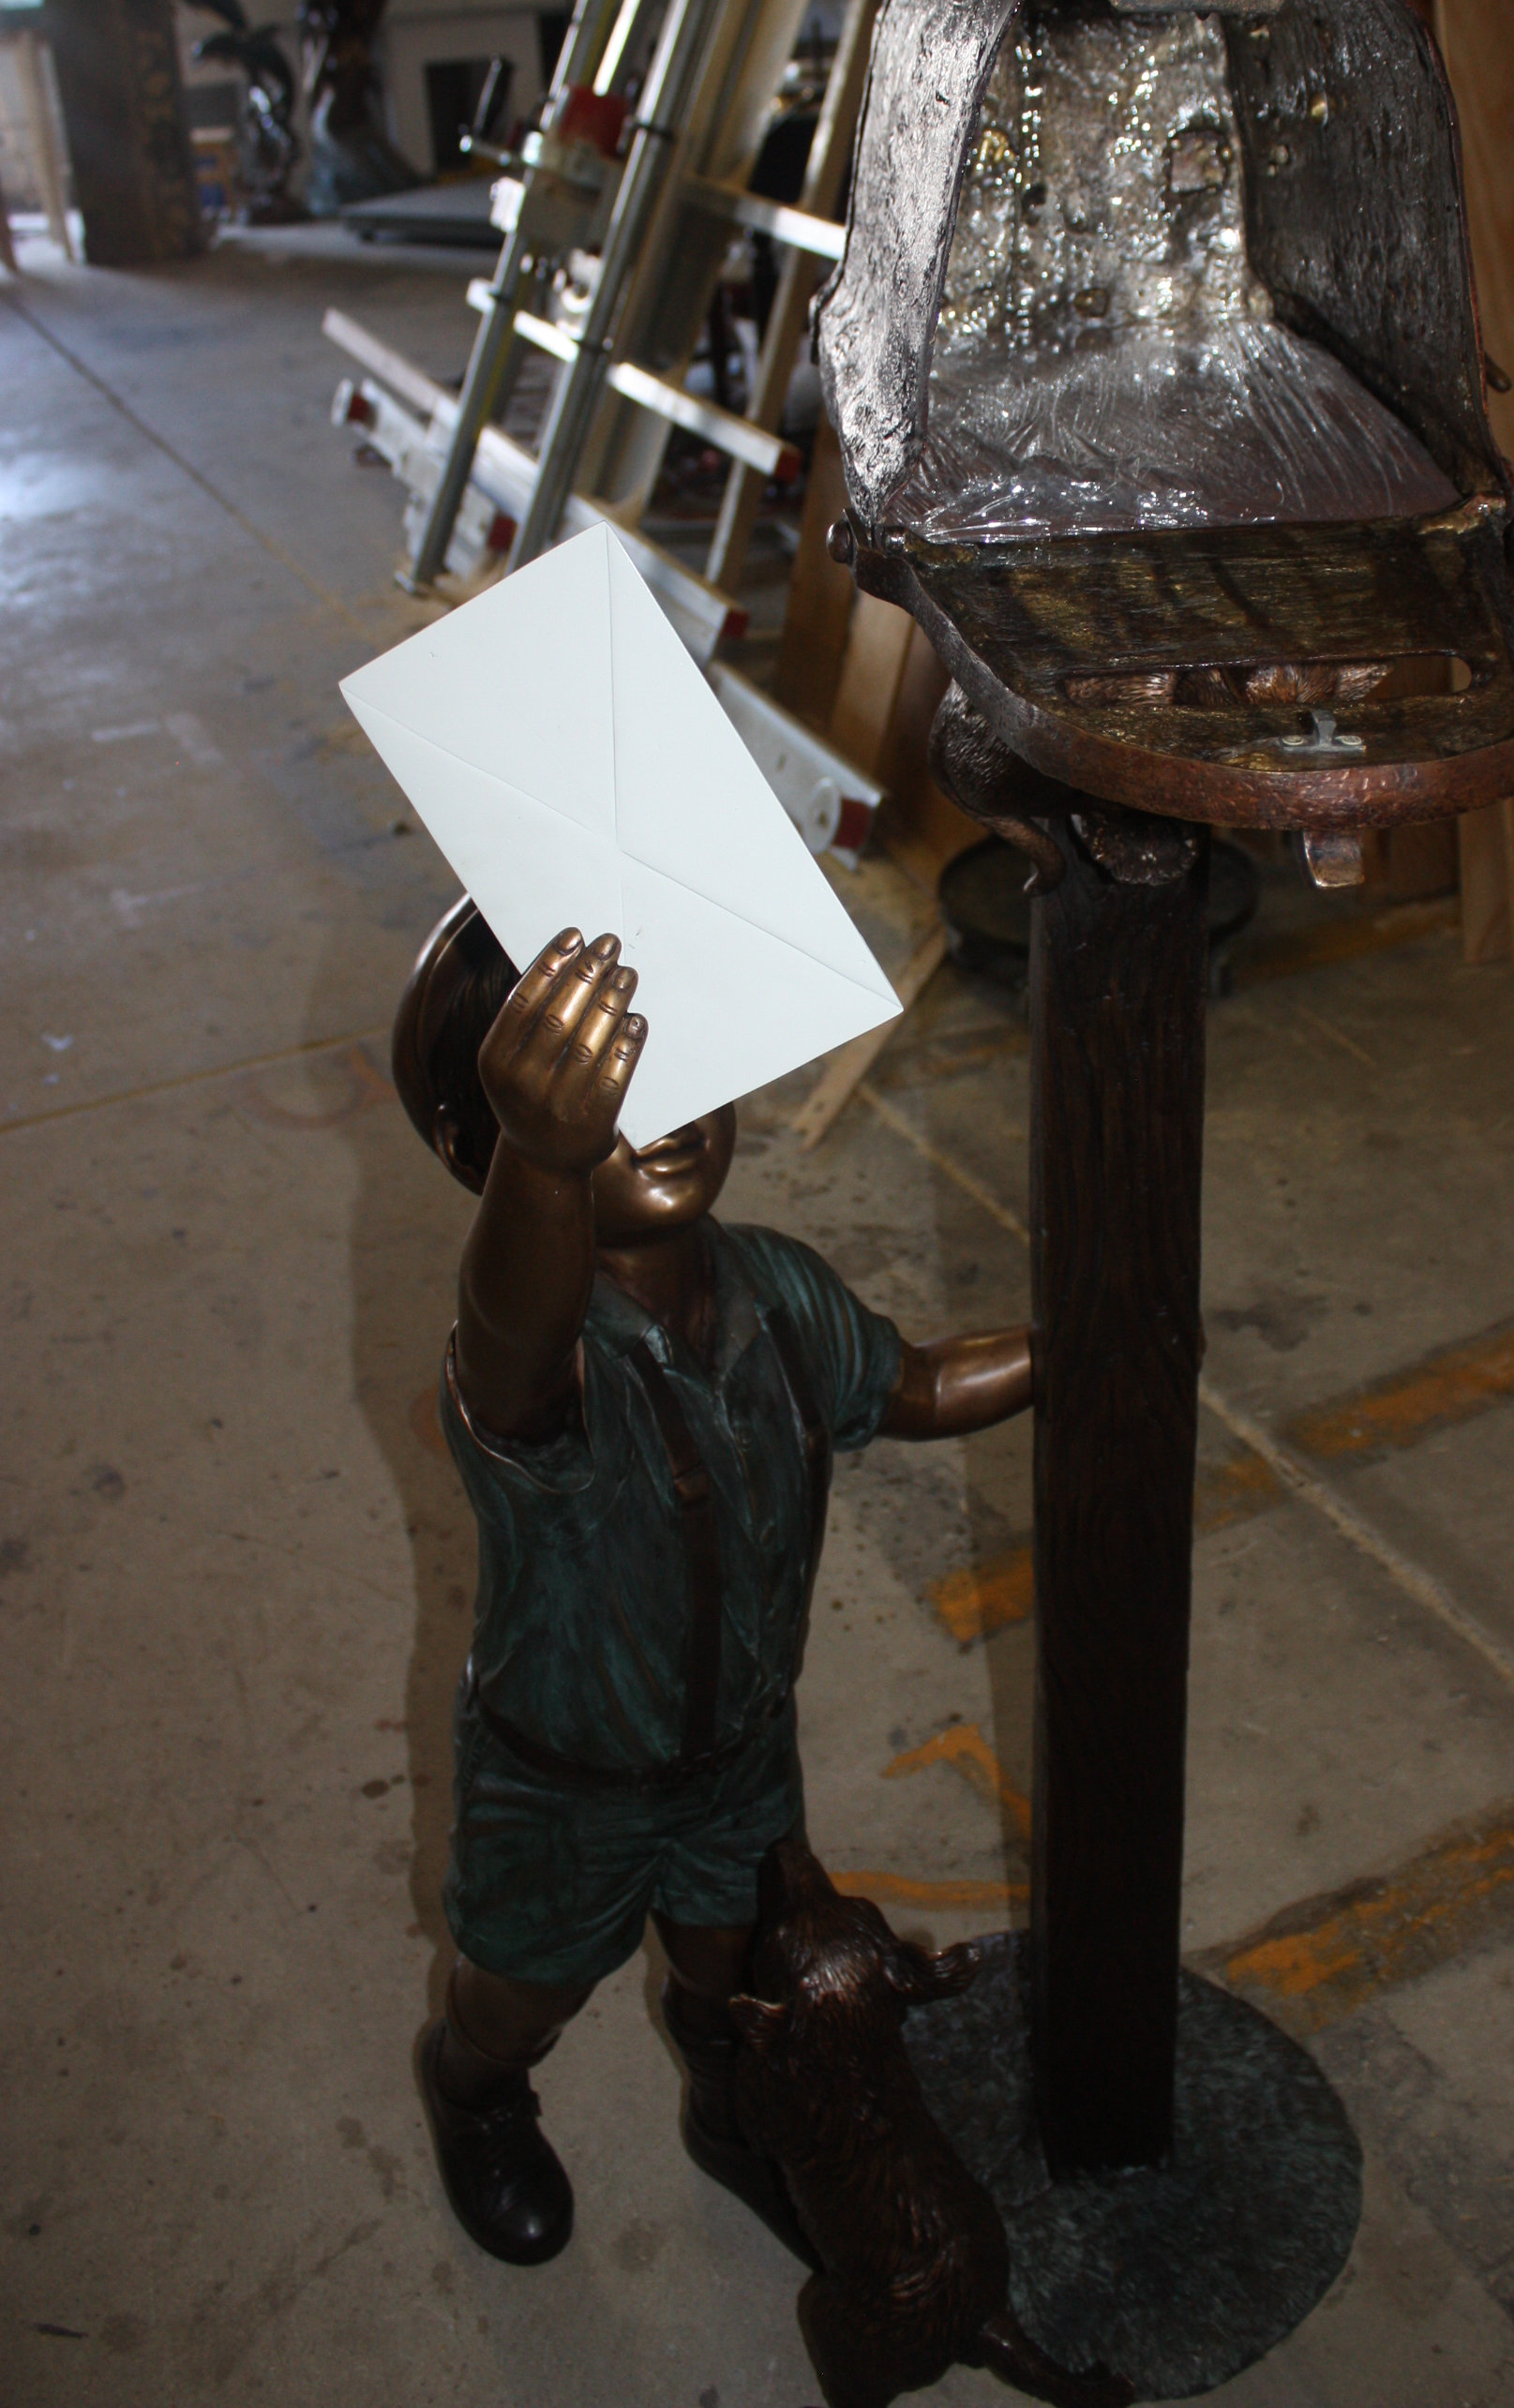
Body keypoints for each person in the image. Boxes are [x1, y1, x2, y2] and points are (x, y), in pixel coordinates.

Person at [391, 901, 1032, 2268]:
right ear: (490, 1150)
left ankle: (736, 2121)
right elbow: (509, 1338)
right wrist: (541, 1170)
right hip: (564, 1781)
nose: (659, 1118)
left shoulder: (779, 1292)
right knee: (522, 1988)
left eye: (683, 1071)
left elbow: (907, 1382)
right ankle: (474, 2091)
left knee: (741, 1972)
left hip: (741, 1759)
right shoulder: (541, 1368)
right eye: (598, 1107)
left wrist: (1072, 1343)